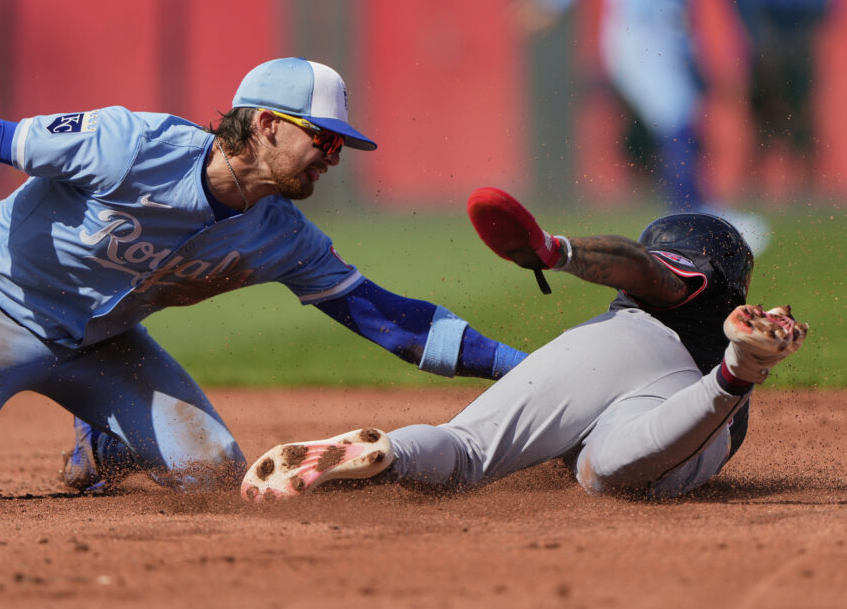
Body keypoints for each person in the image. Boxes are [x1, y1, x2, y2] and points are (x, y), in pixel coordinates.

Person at [0, 58, 529, 500]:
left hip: (99, 343)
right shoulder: (129, 146)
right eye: (323, 137)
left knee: (215, 473)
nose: (333, 155)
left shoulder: (282, 236)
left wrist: (527, 370)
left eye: (339, 144)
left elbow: (389, 319)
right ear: (266, 124)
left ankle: (103, 441)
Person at [241, 187, 807, 502]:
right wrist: (555, 251)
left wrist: (556, 251)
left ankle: (394, 453)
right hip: (687, 387)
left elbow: (636, 264)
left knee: (462, 450)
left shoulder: (636, 307)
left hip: (602, 343)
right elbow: (642, 267)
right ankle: (739, 368)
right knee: (607, 474)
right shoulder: (700, 285)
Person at [514, 0, 769, 251]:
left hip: (679, 40)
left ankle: (691, 215)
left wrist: (751, 41)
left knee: (687, 124)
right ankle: (692, 217)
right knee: (677, 116)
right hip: (634, 36)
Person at [733, 0, 832, 199]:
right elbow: (754, 9)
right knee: (762, 121)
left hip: (799, 56)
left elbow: (822, 11)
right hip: (768, 56)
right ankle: (754, 186)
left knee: (802, 121)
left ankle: (802, 188)